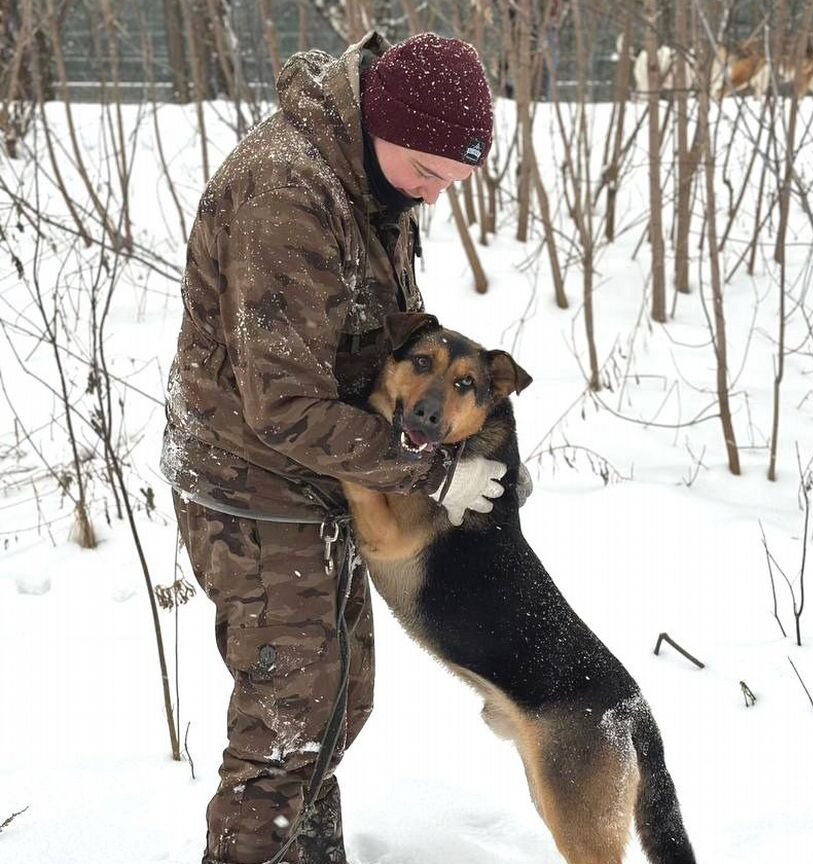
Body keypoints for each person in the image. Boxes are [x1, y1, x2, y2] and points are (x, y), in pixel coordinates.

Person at [161, 30, 509, 864]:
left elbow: (383, 337)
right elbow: (282, 408)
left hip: (326, 479)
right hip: (251, 484)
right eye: (425, 172)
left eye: (449, 184)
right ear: (378, 122)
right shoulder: (287, 194)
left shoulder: (374, 182)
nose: (430, 197)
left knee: (338, 704)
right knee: (287, 726)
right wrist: (429, 472)